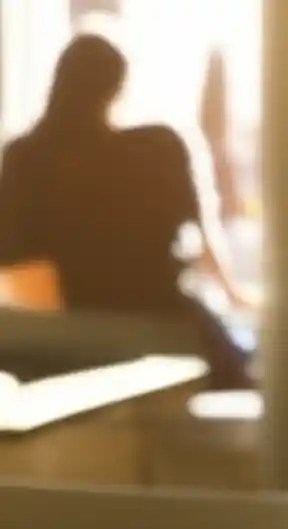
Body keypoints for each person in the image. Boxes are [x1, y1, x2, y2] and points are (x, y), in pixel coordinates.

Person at [0, 34, 252, 387]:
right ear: (117, 88)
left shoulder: (24, 158)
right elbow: (202, 235)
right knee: (242, 364)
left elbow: (12, 256)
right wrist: (234, 295)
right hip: (156, 308)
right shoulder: (157, 147)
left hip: (66, 315)